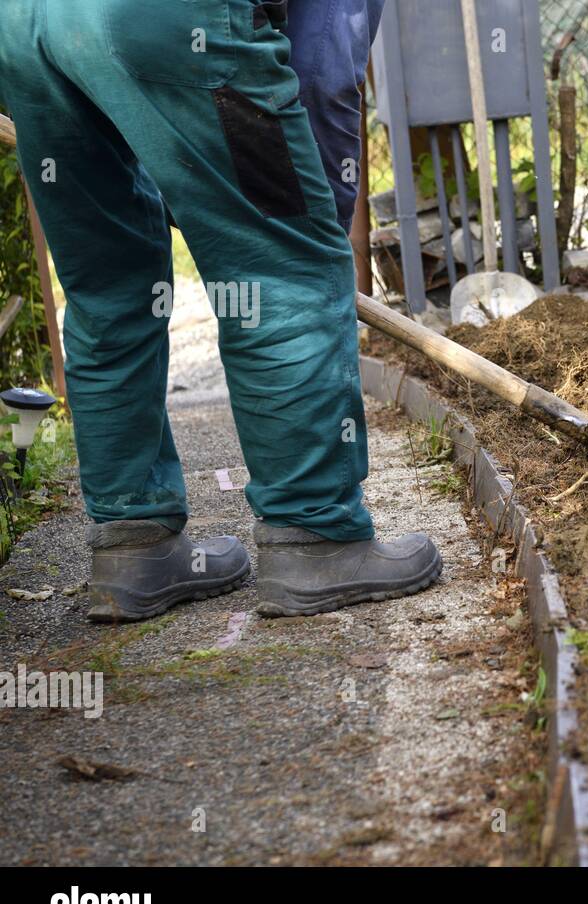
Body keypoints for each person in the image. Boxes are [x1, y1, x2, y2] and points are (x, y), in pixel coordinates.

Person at [0, 0, 442, 621]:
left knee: (107, 286)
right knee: (279, 270)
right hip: (169, 20)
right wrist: (313, 236)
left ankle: (134, 549)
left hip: (26, 29)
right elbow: (326, 75)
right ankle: (314, 539)